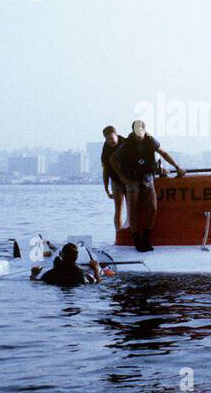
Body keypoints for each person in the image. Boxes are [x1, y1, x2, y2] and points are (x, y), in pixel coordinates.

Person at [113, 119, 183, 252]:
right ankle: (136, 239)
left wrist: (177, 166)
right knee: (133, 210)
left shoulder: (150, 140)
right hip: (132, 179)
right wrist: (122, 177)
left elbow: (164, 153)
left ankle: (146, 237)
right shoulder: (127, 143)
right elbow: (113, 159)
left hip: (147, 178)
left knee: (152, 208)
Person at [31, 242, 104, 286]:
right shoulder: (81, 274)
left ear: (61, 255)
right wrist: (96, 269)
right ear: (76, 256)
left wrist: (34, 274)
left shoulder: (50, 274)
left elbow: (36, 282)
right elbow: (97, 282)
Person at [99, 125, 126, 236]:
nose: (110, 141)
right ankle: (118, 233)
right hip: (115, 180)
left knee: (132, 207)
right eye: (107, 139)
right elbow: (105, 170)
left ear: (117, 135)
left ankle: (133, 232)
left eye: (112, 138)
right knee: (118, 207)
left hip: (129, 179)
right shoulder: (106, 150)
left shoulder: (126, 143)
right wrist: (106, 188)